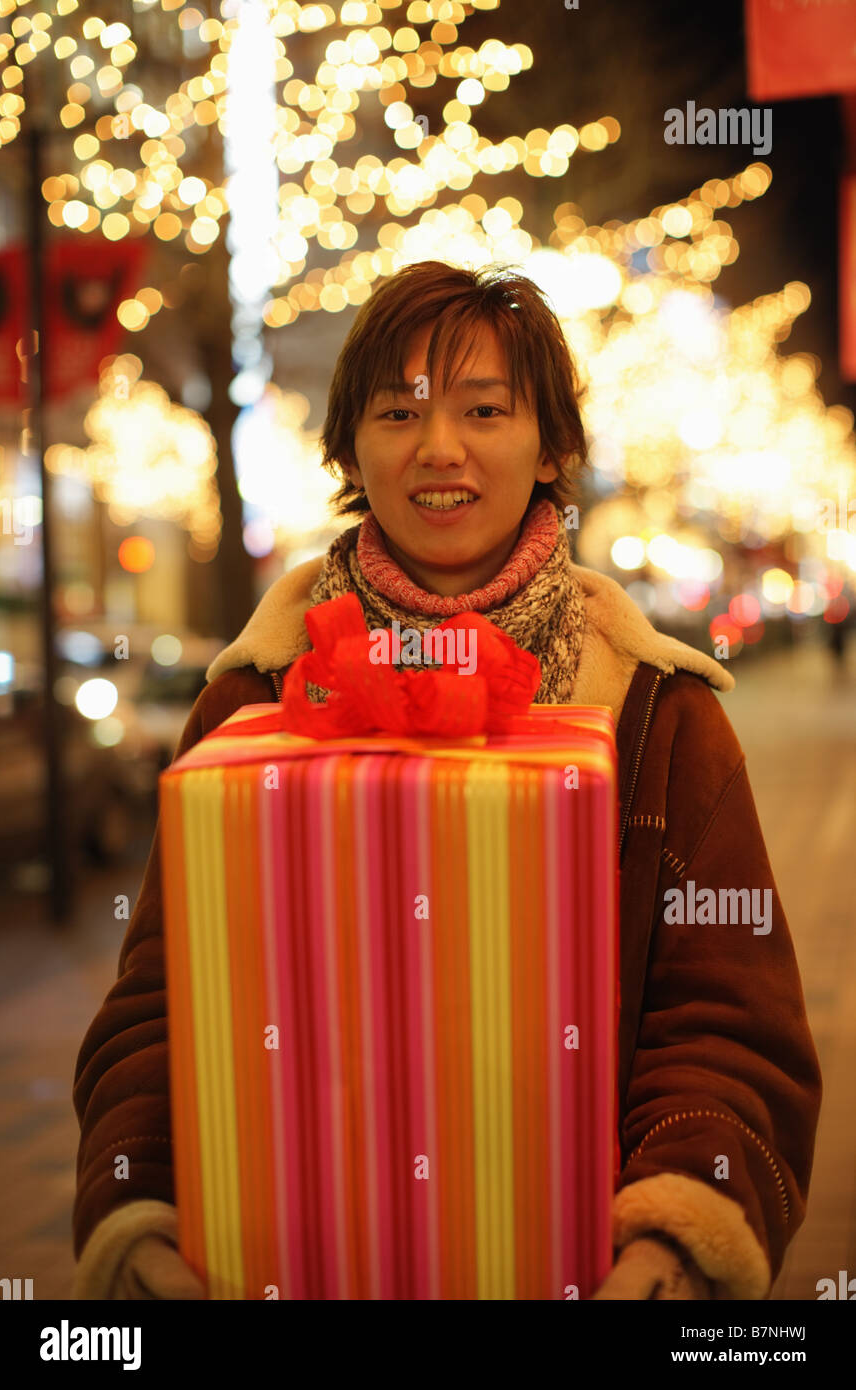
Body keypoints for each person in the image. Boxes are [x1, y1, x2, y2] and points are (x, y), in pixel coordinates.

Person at [72, 261, 821, 1300]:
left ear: (551, 445)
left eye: (482, 410)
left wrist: (675, 1235)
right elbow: (162, 1005)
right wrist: (138, 1213)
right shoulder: (254, 696)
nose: (438, 448)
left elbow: (728, 1022)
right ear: (348, 444)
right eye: (397, 411)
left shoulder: (656, 712)